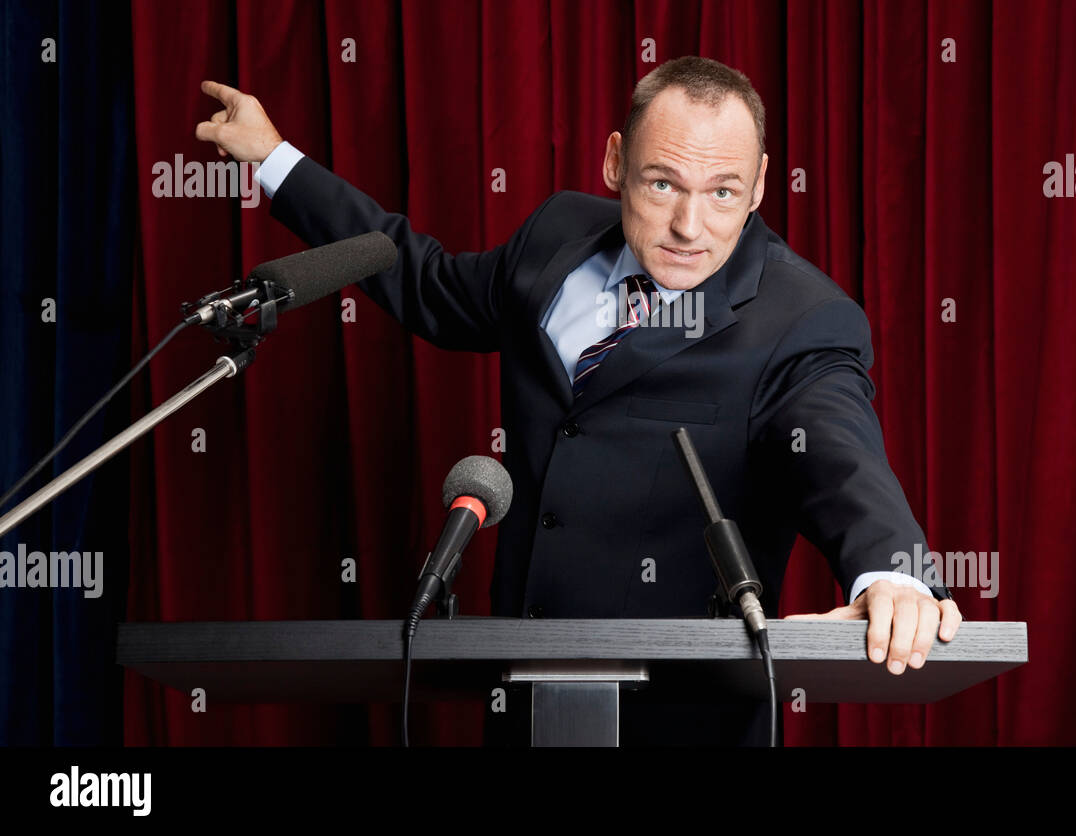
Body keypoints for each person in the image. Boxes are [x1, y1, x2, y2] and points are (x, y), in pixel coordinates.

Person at [195, 56, 962, 745]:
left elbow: (838, 450)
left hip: (686, 726)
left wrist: (891, 573)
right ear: (615, 162)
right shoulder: (556, 235)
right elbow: (428, 285)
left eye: (723, 193)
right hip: (524, 698)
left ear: (760, 185)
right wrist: (275, 160)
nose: (690, 227)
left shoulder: (801, 318)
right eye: (662, 183)